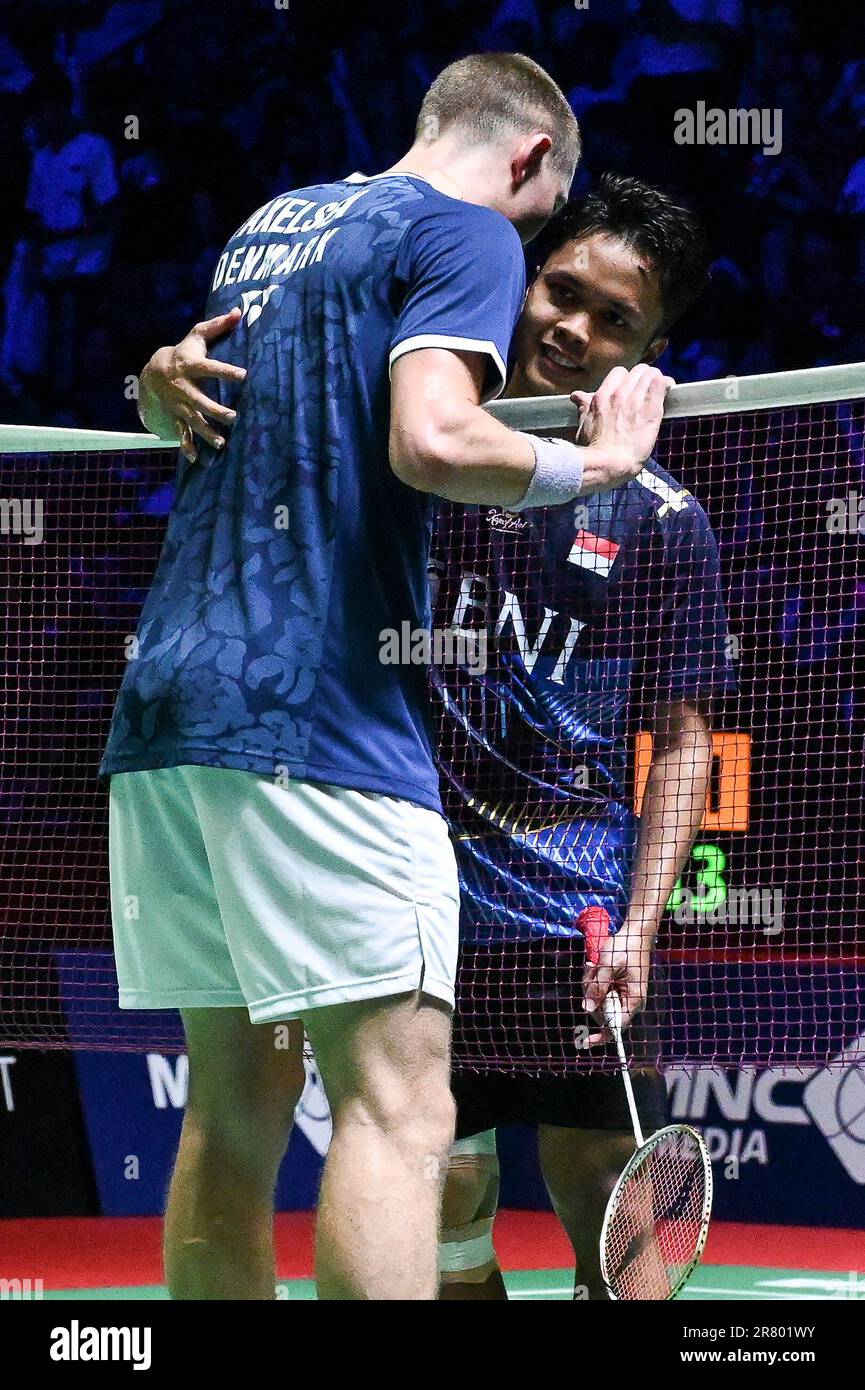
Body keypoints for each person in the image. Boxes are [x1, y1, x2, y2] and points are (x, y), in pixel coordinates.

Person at [103, 54, 672, 1301]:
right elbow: (430, 439)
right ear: (527, 162)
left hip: (164, 716)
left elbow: (210, 402)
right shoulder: (466, 229)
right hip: (316, 713)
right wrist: (604, 466)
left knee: (234, 1109)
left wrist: (140, 387)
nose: (524, 264)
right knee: (401, 1112)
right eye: (539, 221)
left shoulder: (276, 223)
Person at [433, 175, 735, 1299]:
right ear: (524, 275)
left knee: (625, 1246)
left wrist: (644, 925)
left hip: (572, 925)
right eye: (562, 291)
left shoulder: (658, 518)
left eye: (616, 320)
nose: (574, 329)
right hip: (411, 913)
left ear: (650, 350)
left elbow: (684, 741)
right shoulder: (413, 455)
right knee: (439, 1218)